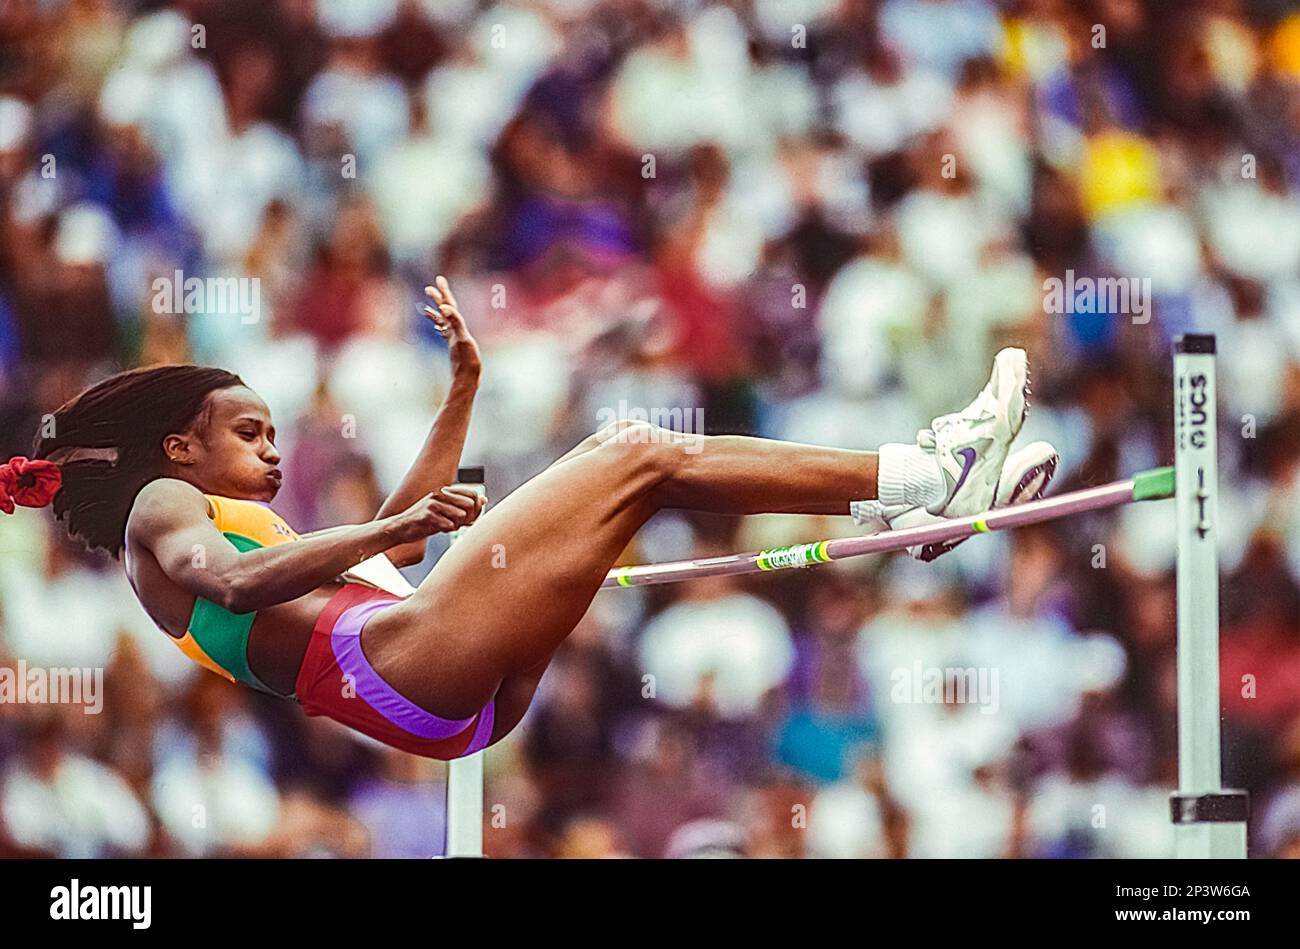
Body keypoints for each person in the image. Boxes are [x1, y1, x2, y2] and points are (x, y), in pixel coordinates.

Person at [0, 277, 1056, 760]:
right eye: (249, 432)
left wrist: (461, 386)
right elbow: (237, 584)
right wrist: (375, 535)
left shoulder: (237, 518)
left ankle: (921, 504)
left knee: (650, 476)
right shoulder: (164, 505)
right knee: (631, 450)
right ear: (178, 445)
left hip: (432, 694)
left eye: (277, 433)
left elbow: (407, 544)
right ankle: (931, 474)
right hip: (402, 663)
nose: (272, 451)